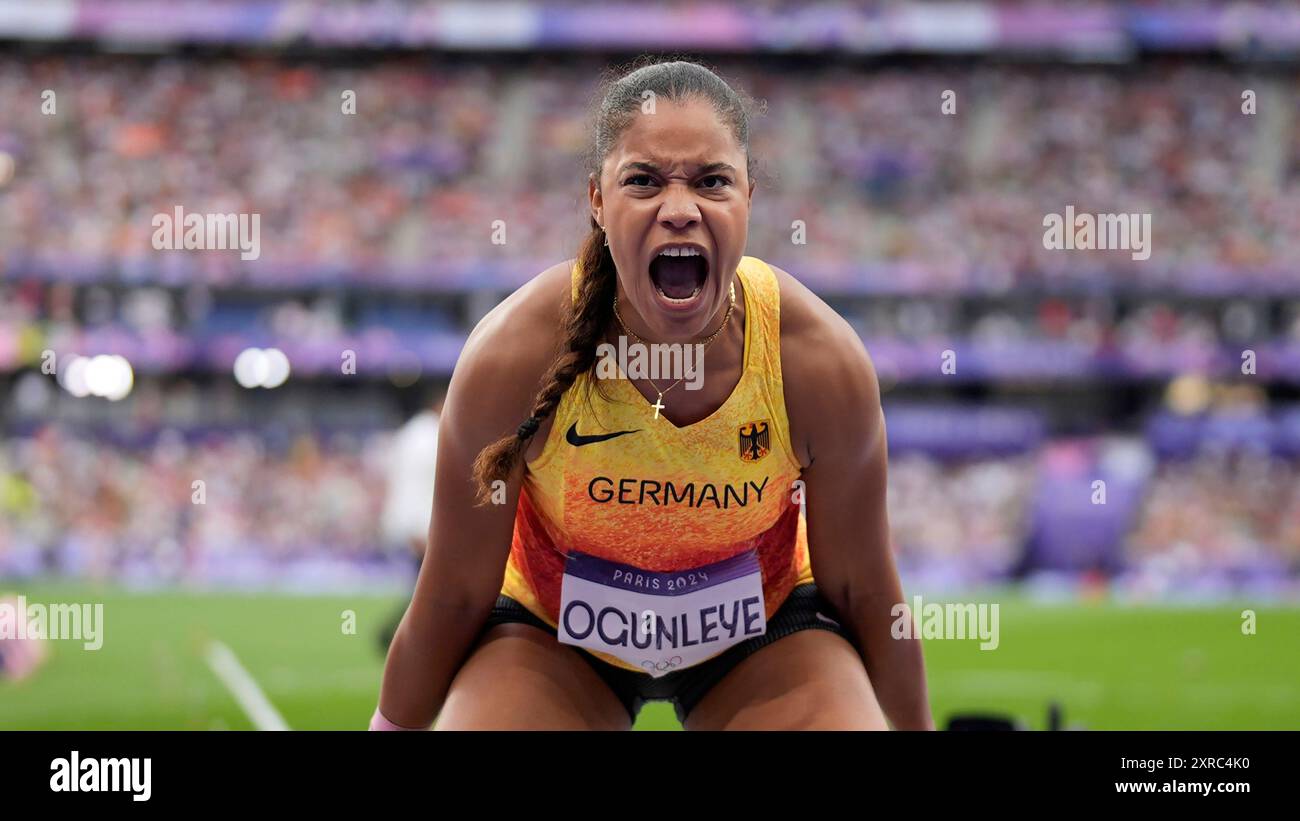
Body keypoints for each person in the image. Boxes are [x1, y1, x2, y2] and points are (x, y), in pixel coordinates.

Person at [373, 57, 932, 730]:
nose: (679, 209)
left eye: (711, 181)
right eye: (643, 181)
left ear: (749, 194)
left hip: (760, 635)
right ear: (596, 201)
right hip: (555, 637)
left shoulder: (816, 362)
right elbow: (454, 595)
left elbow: (864, 589)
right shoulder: (512, 356)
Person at [376, 389, 444, 652]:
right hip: (420, 524)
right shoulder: (428, 436)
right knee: (427, 590)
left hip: (408, 520)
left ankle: (398, 636)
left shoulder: (412, 433)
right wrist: (421, 529)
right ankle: (393, 635)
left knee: (424, 588)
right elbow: (423, 486)